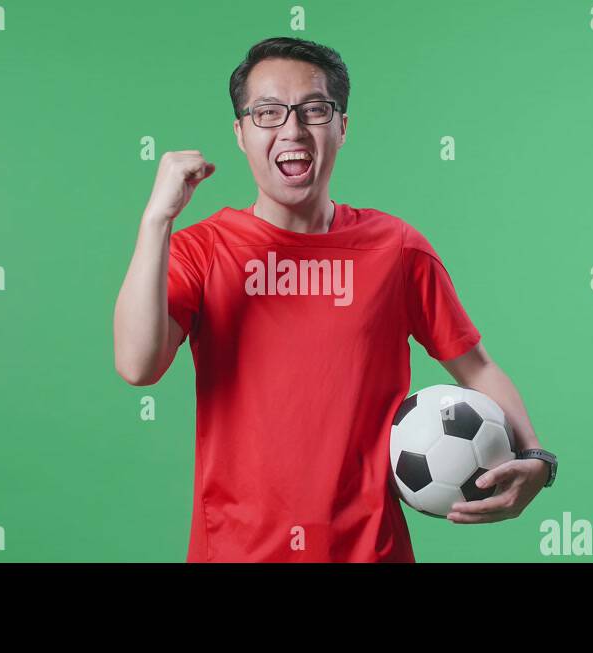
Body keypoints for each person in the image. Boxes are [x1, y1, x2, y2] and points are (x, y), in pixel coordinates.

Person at [113, 36, 554, 562]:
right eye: (268, 113)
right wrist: (156, 220)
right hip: (235, 551)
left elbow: (477, 368)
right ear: (240, 133)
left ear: (341, 126)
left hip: (370, 552)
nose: (292, 130)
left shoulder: (397, 249)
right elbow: (138, 364)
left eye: (314, 110)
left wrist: (537, 459)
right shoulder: (203, 250)